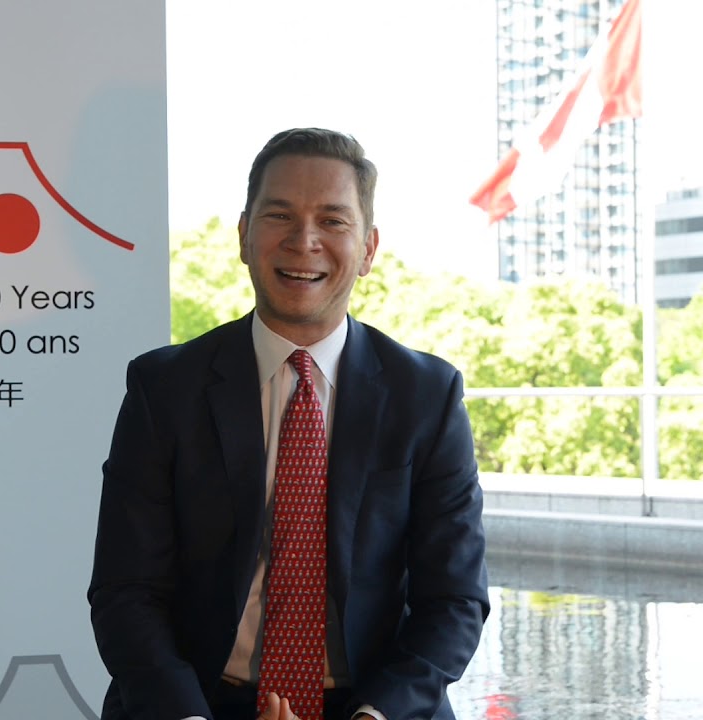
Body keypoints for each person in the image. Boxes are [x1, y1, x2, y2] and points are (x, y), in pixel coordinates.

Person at [88, 128, 488, 720]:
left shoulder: (427, 395)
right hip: (198, 701)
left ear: (369, 249)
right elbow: (126, 591)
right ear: (244, 236)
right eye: (279, 215)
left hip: (374, 705)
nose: (304, 241)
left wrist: (375, 715)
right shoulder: (164, 388)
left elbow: (454, 600)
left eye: (332, 220)